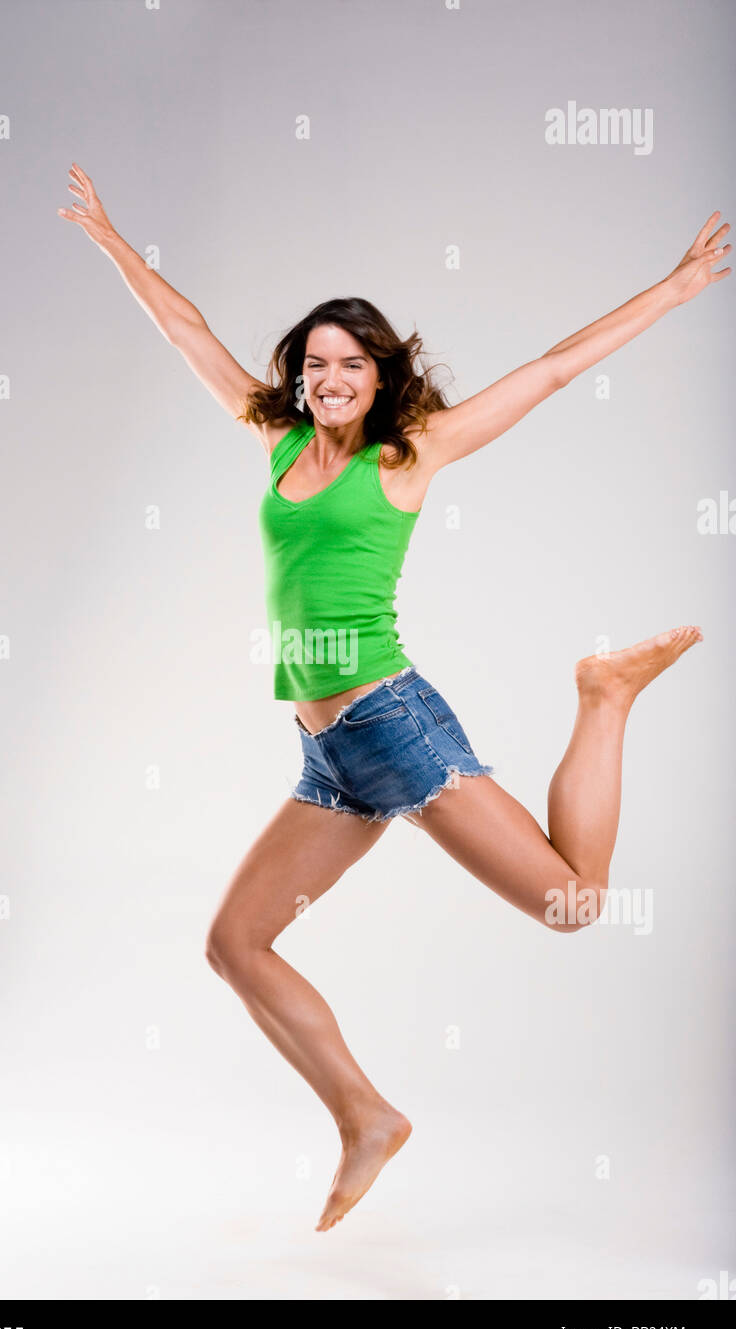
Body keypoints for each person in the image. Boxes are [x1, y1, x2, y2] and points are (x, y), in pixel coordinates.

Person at [59, 167, 729, 1231]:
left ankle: (603, 699)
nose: (329, 377)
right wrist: (111, 241)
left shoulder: (409, 455)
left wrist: (673, 289)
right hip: (329, 758)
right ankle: (365, 1115)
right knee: (235, 943)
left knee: (574, 903)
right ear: (299, 376)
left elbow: (552, 370)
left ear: (380, 380)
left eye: (350, 364)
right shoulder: (276, 442)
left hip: (392, 726)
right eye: (314, 362)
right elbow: (186, 330)